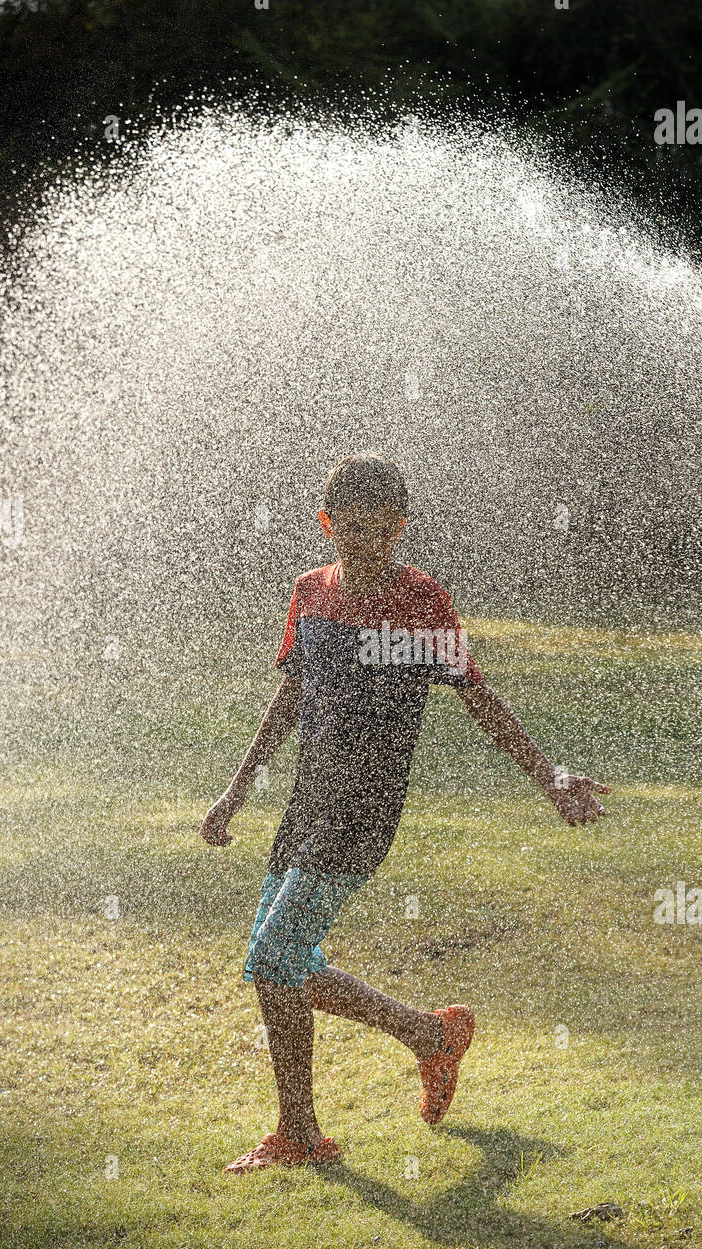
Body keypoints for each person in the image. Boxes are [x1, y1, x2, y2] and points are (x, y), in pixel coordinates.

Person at [200, 452, 610, 1171]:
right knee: (289, 963)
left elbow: (477, 695)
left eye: (383, 529)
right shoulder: (309, 592)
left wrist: (550, 778)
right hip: (307, 801)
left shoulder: (421, 599)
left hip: (364, 807)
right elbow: (290, 697)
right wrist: (236, 791)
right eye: (352, 527)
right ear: (327, 525)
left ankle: (299, 1136)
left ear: (401, 528)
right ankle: (429, 1036)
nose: (367, 541)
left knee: (272, 961)